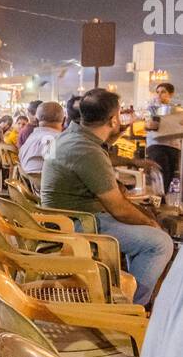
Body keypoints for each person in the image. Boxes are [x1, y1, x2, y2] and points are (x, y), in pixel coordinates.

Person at [40, 87, 173, 306]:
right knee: (160, 243)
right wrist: (151, 223)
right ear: (112, 119)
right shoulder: (86, 150)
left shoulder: (73, 136)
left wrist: (122, 135)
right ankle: (130, 308)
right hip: (75, 223)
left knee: (146, 223)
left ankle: (128, 291)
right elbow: (118, 208)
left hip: (64, 216)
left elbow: (101, 152)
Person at [144, 81, 182, 195]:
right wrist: (149, 125)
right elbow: (146, 124)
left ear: (171, 94)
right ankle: (158, 199)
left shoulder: (177, 110)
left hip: (173, 145)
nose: (159, 95)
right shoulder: (152, 109)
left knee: (170, 174)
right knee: (161, 171)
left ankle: (161, 199)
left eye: (163, 92)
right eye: (158, 92)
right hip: (156, 144)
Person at [18, 101, 64, 176]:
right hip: (39, 186)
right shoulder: (50, 139)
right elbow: (51, 169)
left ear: (36, 120)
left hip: (26, 183)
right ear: (64, 120)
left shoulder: (32, 136)